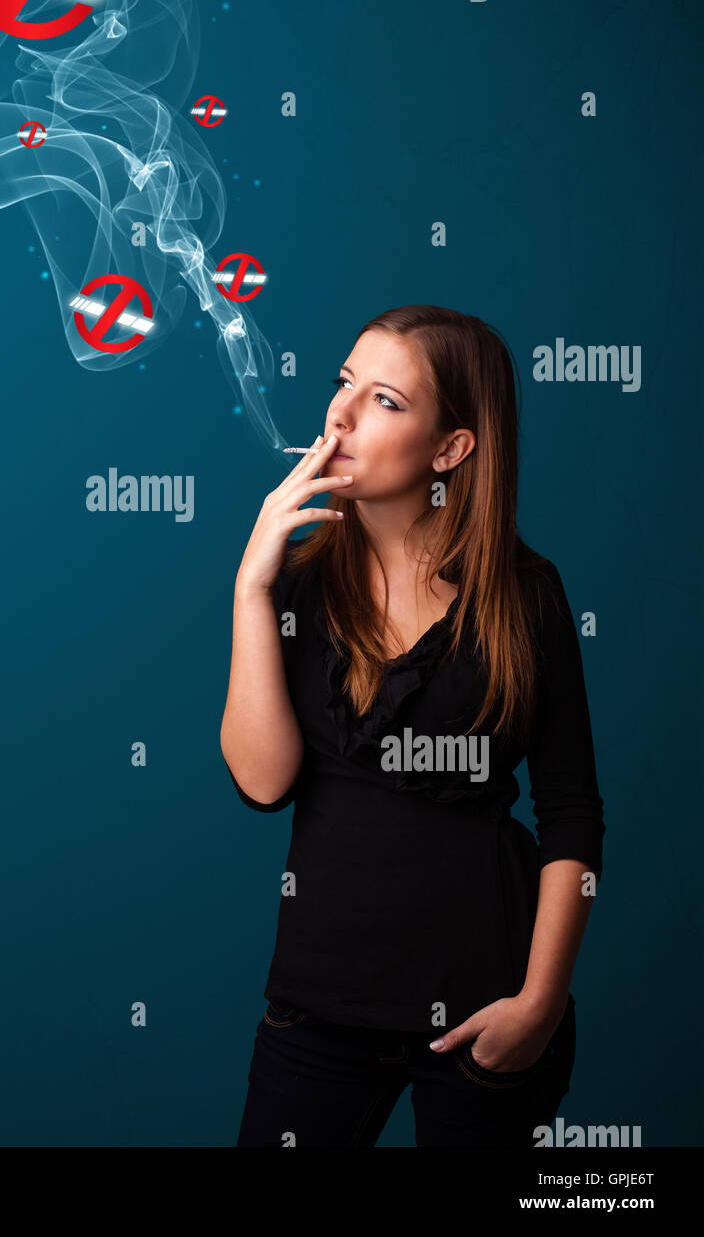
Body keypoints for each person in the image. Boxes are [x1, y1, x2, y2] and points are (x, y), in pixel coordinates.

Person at [220, 304, 605, 1147]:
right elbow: (264, 782)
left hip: (482, 1012)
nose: (342, 416)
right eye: (344, 384)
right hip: (318, 1011)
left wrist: (537, 1006)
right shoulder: (297, 585)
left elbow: (571, 810)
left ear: (451, 449)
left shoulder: (526, 594)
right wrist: (252, 588)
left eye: (386, 401)